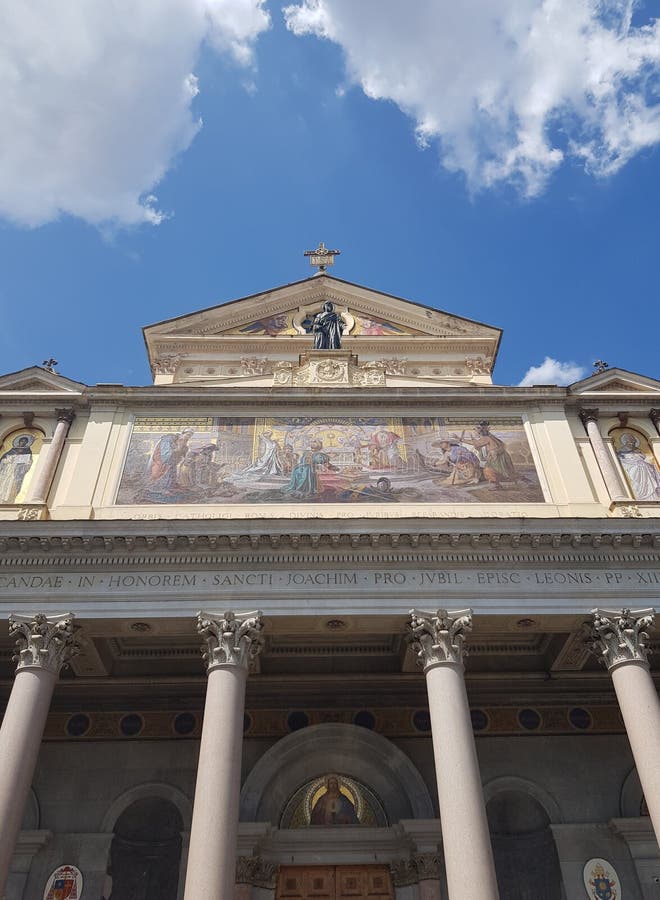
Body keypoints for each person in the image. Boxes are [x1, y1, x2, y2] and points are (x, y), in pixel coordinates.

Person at [616, 432, 660, 500]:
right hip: (630, 465)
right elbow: (621, 459)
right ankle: (639, 495)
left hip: (643, 466)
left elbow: (644, 457)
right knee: (636, 469)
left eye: (633, 441)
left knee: (648, 467)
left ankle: (653, 496)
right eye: (630, 440)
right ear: (625, 441)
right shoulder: (621, 450)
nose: (632, 442)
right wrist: (633, 460)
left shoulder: (637, 450)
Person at [0, 434, 35, 502]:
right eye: (22, 441)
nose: (23, 442)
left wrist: (24, 464)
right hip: (6, 471)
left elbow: (29, 462)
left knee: (12, 486)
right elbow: (3, 460)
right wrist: (10, 459)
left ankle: (8, 500)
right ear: (19, 442)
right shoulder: (11, 451)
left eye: (25, 441)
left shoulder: (27, 452)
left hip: (16, 472)